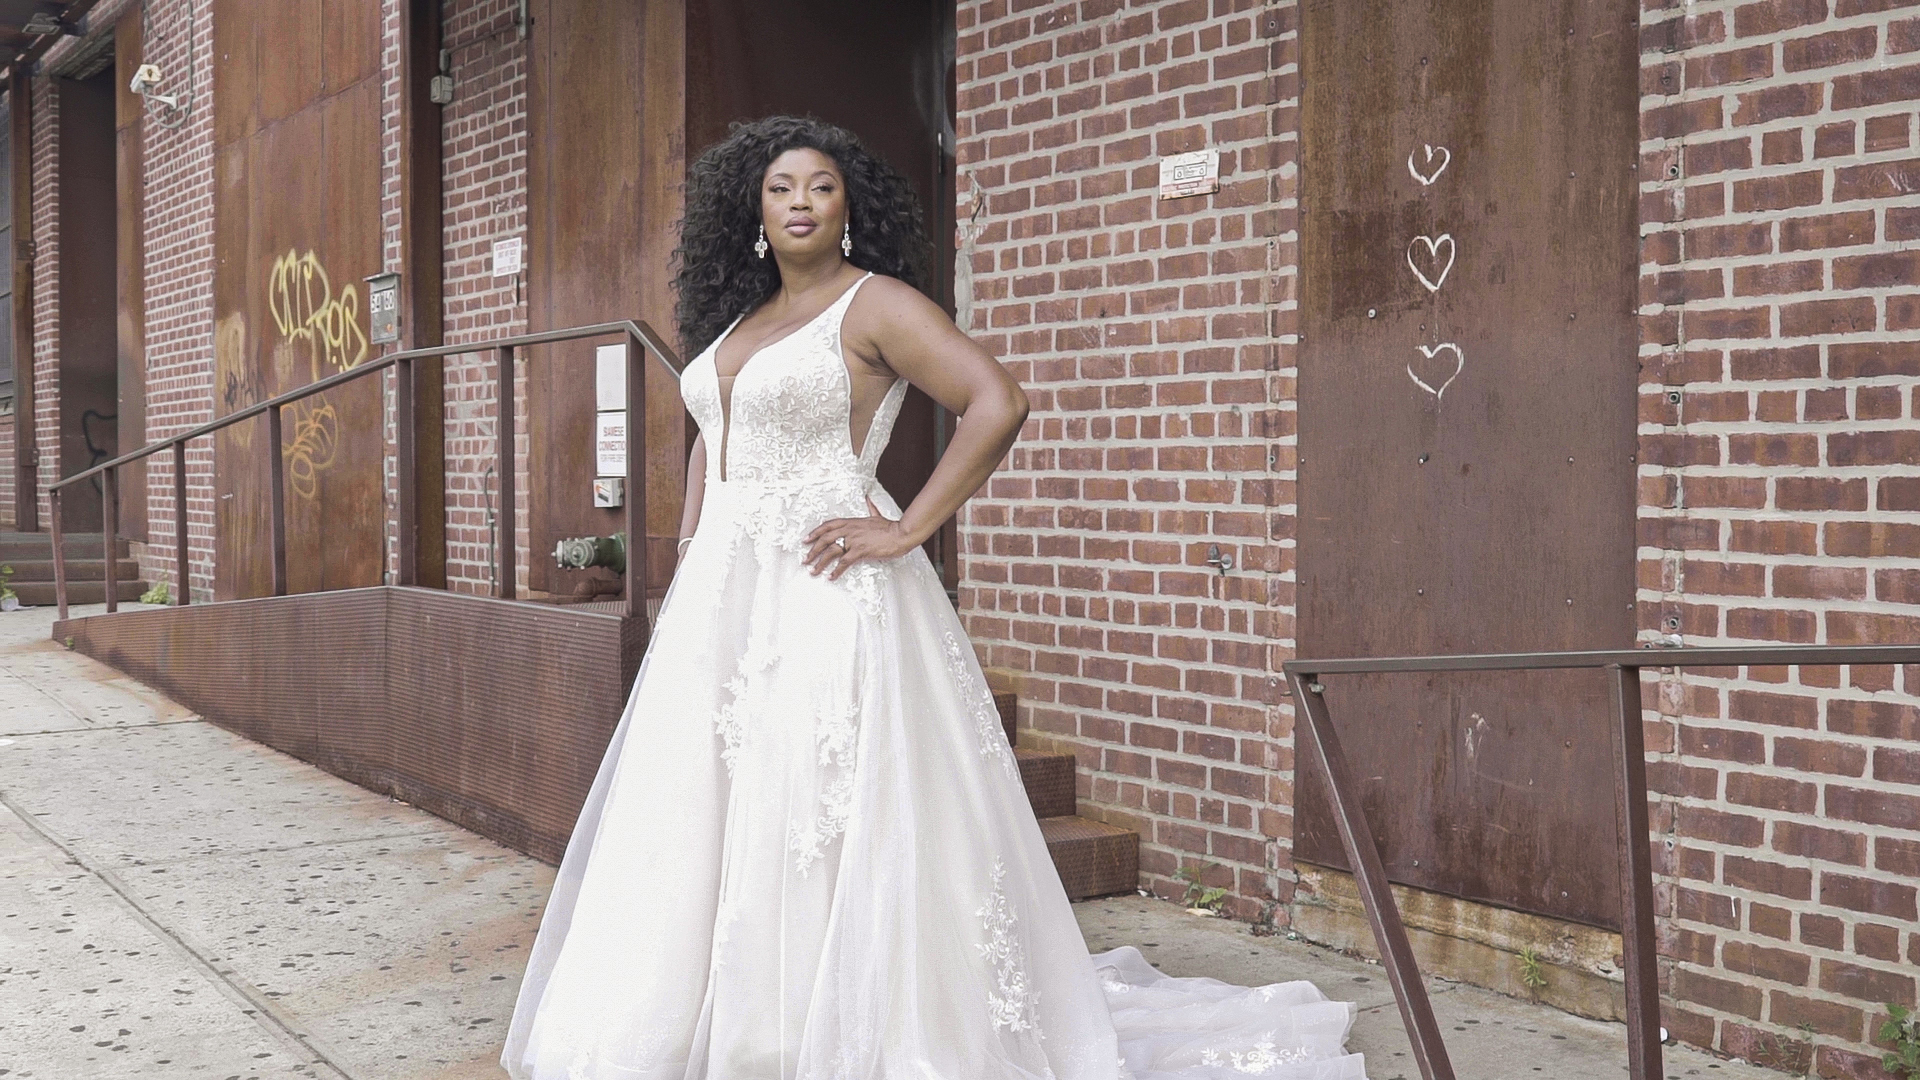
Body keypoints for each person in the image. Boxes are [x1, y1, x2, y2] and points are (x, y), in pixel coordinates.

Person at [499, 115, 1365, 1080]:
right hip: (725, 600)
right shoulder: (739, 326)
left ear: (848, 207)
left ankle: (829, 1031)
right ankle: (717, 1022)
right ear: (753, 208)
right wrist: (692, 554)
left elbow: (998, 401)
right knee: (713, 807)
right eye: (781, 187)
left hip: (832, 586)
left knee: (821, 802)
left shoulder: (878, 306)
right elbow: (713, 437)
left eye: (820, 187)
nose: (799, 203)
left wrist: (908, 527)